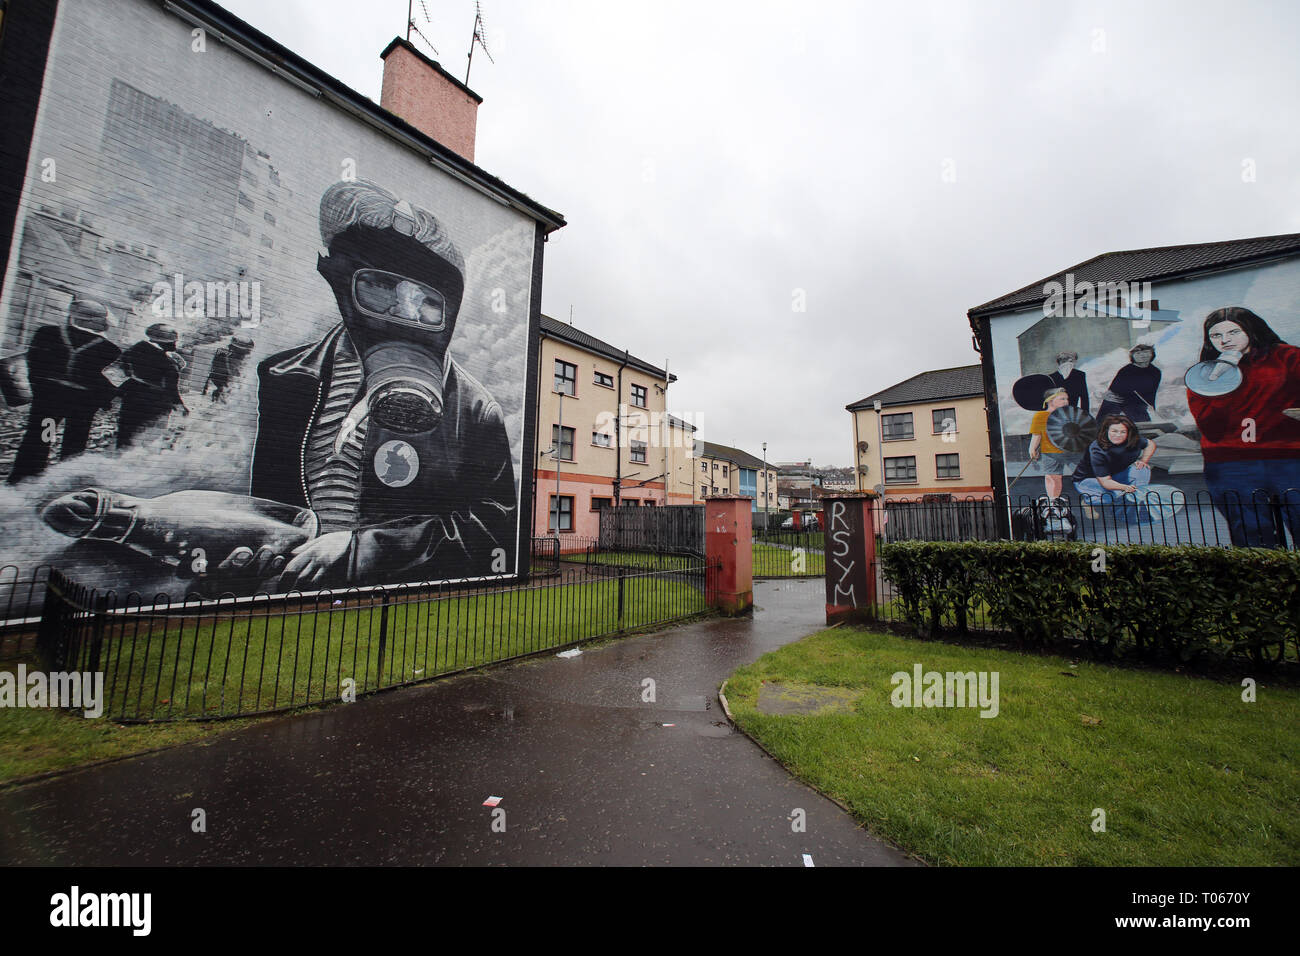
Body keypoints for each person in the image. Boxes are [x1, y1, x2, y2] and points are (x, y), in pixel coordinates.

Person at [245, 179, 517, 589]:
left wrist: (362, 550)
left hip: (387, 598)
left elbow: (495, 527)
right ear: (341, 281)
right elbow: (266, 506)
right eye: (381, 286)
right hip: (287, 590)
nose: (402, 312)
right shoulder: (286, 379)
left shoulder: (475, 410)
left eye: (426, 301)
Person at [1186, 307, 1300, 547]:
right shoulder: (1204, 375)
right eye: (1216, 335)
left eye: (1233, 332)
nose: (1225, 340)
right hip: (1231, 464)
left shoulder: (1287, 357)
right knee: (1252, 537)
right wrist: (1221, 379)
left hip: (1289, 458)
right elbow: (1210, 426)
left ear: (1251, 330)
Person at [7, 299, 122, 483]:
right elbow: (105, 381)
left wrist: (39, 390)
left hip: (49, 399)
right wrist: (106, 400)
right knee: (75, 440)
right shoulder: (110, 349)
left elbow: (34, 365)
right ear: (97, 322)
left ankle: (25, 478)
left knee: (42, 437)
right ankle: (65, 481)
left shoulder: (46, 333)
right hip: (82, 404)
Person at [1071, 414, 1157, 523]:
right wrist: (1125, 487)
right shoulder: (1097, 448)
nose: (1118, 435)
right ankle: (1088, 502)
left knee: (1142, 469)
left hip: (1115, 475)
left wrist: (1144, 460)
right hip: (1090, 480)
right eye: (1114, 431)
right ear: (1106, 431)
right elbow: (1105, 481)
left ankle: (1136, 501)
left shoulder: (1134, 440)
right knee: (1111, 497)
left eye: (1123, 432)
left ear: (1128, 433)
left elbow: (1150, 444)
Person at [115, 323, 188, 448]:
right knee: (147, 439)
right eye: (172, 342)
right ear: (162, 342)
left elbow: (122, 371)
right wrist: (181, 407)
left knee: (126, 435)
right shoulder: (168, 363)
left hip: (131, 398)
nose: (175, 346)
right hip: (155, 403)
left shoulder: (133, 350)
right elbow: (171, 389)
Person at [1026, 386, 1079, 499]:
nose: (1066, 402)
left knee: (1082, 474)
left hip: (1071, 451)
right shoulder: (1040, 416)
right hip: (1050, 452)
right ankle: (1053, 501)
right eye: (1062, 399)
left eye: (1067, 399)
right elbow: (1037, 435)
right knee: (1053, 478)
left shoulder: (1068, 414)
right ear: (1050, 400)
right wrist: (1032, 448)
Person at [1096, 343, 1161, 423]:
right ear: (1132, 356)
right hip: (1118, 399)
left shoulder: (1155, 372)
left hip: (1137, 402)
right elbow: (1115, 389)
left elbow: (1151, 392)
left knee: (1144, 423)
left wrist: (1151, 406)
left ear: (1152, 354)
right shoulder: (1126, 370)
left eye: (1146, 352)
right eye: (1138, 353)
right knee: (1105, 421)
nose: (1143, 355)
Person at [203, 332, 254, 402]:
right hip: (219, 382)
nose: (247, 353)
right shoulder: (225, 353)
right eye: (244, 352)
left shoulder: (225, 352)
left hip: (222, 382)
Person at [1047, 350, 1089, 414]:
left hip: (1071, 414)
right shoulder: (1051, 378)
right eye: (1064, 361)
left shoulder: (1079, 375)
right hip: (1057, 414)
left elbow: (1084, 398)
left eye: (1071, 361)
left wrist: (1085, 416)